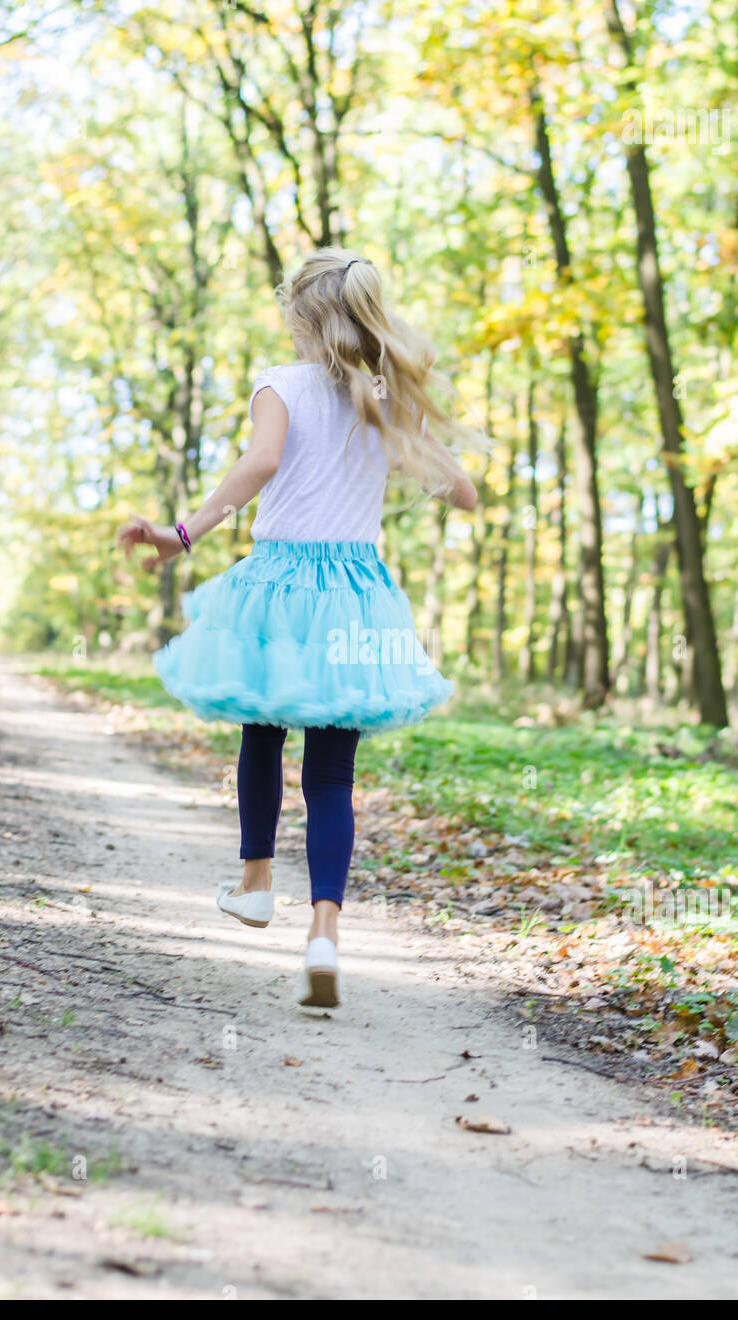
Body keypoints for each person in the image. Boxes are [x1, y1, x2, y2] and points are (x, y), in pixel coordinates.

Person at [118, 247, 485, 1009]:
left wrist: (180, 534)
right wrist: (413, 444)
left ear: (301, 318)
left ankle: (255, 885)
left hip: (281, 583)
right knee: (331, 777)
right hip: (355, 593)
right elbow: (464, 493)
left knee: (261, 730)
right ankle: (324, 934)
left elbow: (260, 464)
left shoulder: (279, 385)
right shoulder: (380, 398)